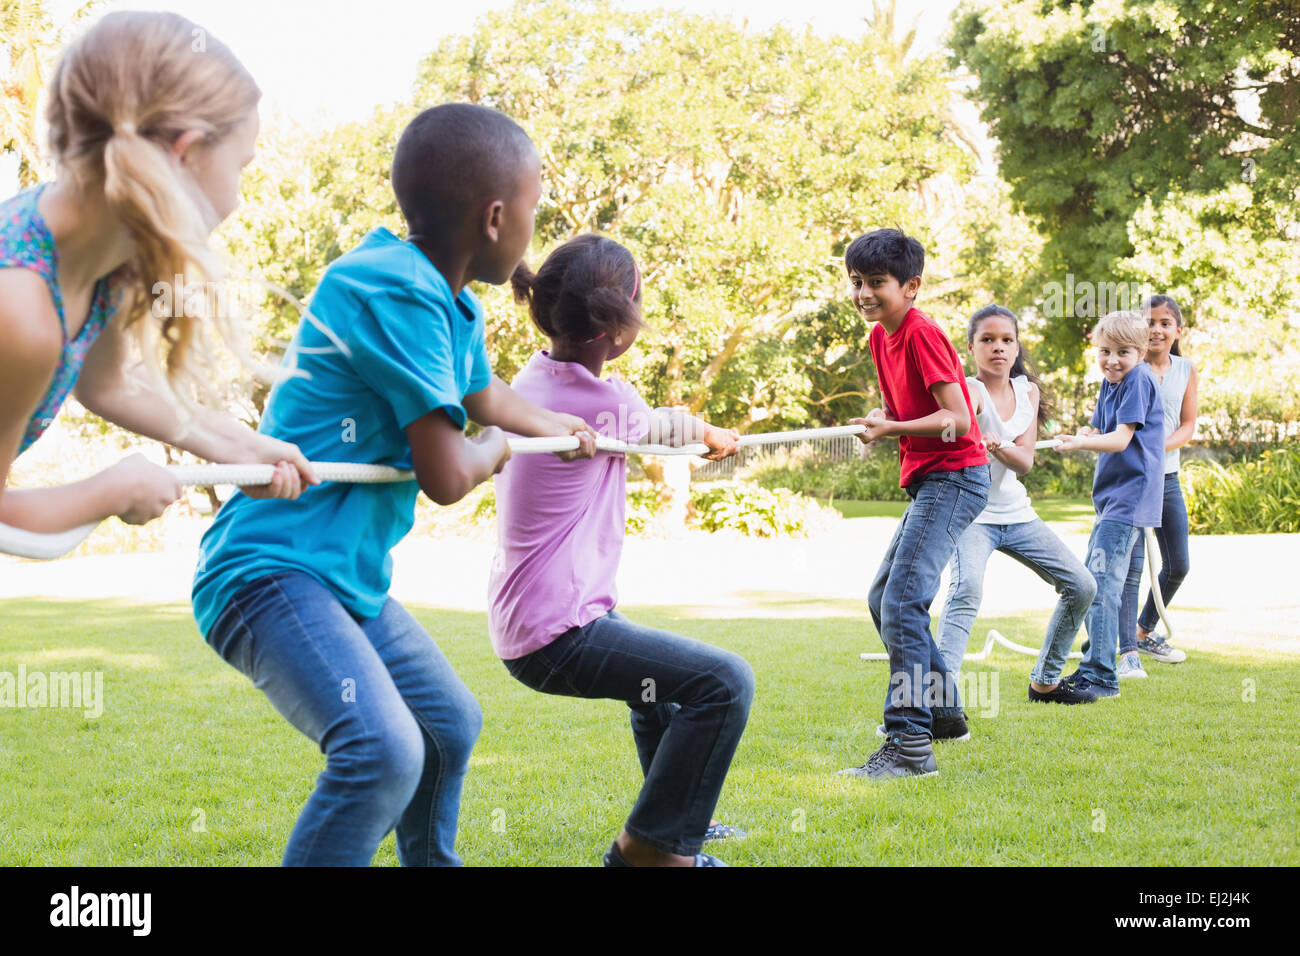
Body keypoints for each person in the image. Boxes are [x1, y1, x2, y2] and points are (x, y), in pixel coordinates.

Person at [191, 104, 596, 866]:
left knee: (445, 726)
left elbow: (488, 397)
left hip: (341, 581)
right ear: (497, 215)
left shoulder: (450, 303)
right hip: (271, 570)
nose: (532, 230)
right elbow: (449, 471)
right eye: (535, 212)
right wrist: (502, 447)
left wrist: (554, 429)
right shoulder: (392, 287)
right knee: (380, 751)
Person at [489, 233, 753, 866]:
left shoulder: (533, 382)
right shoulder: (606, 402)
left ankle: (676, 822)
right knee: (724, 681)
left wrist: (705, 430)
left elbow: (655, 423)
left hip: (533, 626)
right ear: (618, 328)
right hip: (560, 634)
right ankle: (652, 849)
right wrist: (707, 432)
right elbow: (653, 423)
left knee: (657, 689)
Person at [0, 11, 314, 542]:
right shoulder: (21, 306)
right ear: (186, 153)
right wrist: (110, 490)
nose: (237, 198)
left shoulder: (103, 266)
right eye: (240, 166)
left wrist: (240, 448)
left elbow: (110, 386)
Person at [839, 228, 990, 780]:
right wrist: (884, 421)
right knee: (885, 598)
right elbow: (901, 403)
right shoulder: (881, 336)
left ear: (912, 287)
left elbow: (956, 420)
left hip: (957, 476)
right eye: (856, 283)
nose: (863, 294)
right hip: (931, 480)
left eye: (876, 283)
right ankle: (945, 714)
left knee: (903, 601)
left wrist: (893, 427)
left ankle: (909, 744)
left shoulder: (922, 332)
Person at [931, 305, 1098, 710]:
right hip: (972, 515)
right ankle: (942, 701)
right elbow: (949, 432)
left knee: (1082, 585)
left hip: (1017, 514)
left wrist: (997, 442)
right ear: (971, 347)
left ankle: (1044, 682)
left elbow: (1024, 462)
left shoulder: (1027, 392)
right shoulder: (968, 390)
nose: (998, 348)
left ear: (1017, 345)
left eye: (1006, 340)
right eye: (987, 340)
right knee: (966, 589)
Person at [1055, 310, 1165, 697]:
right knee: (1098, 582)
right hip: (1112, 498)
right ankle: (1095, 668)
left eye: (1123, 351)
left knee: (1099, 584)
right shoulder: (1110, 382)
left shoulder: (1137, 378)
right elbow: (1103, 429)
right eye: (1105, 351)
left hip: (1129, 499)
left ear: (1139, 352)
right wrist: (1086, 433)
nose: (1112, 360)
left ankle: (1099, 674)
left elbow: (1119, 440)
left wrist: (1082, 443)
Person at [1123, 293, 1197, 667]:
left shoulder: (1185, 370)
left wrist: (1158, 449)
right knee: (1130, 568)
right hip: (1131, 479)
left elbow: (1188, 425)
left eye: (1165, 323)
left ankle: (1142, 630)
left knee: (1178, 563)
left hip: (1166, 478)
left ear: (1177, 330)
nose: (1156, 329)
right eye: (1149, 322)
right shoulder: (1129, 368)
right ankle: (1125, 649)